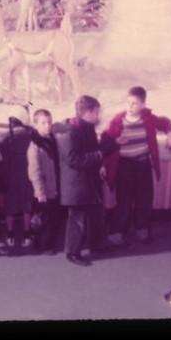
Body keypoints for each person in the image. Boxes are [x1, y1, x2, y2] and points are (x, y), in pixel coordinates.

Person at [102, 86, 171, 245]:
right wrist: (113, 147)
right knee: (124, 201)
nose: (130, 106)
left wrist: (170, 134)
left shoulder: (148, 118)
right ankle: (117, 233)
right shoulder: (117, 121)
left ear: (142, 105)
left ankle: (142, 231)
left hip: (142, 165)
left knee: (144, 200)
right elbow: (105, 142)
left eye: (134, 104)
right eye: (128, 102)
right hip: (124, 166)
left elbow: (166, 123)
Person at [55, 95, 119, 266]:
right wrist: (98, 156)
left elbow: (94, 149)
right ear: (87, 112)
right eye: (96, 112)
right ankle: (72, 253)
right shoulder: (71, 132)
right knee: (77, 220)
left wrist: (114, 143)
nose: (98, 115)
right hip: (77, 185)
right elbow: (73, 159)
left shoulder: (86, 128)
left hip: (88, 182)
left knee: (97, 214)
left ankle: (98, 245)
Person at [0, 104, 35, 251]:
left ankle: (10, 236)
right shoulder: (30, 135)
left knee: (10, 208)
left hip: (10, 177)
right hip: (27, 176)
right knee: (27, 206)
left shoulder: (6, 138)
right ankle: (26, 235)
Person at [27, 108, 62, 255]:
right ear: (35, 125)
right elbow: (34, 171)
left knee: (53, 217)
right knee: (44, 219)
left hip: (55, 186)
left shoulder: (52, 139)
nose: (48, 125)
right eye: (43, 123)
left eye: (49, 122)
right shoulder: (35, 146)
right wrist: (39, 191)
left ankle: (50, 242)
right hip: (44, 190)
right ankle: (43, 245)